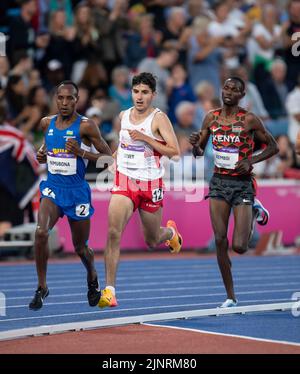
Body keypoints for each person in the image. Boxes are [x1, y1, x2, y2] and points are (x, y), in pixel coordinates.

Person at [189, 77, 279, 308]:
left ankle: (254, 207)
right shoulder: (211, 117)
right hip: (219, 182)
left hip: (242, 184)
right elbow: (199, 152)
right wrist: (195, 145)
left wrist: (251, 160)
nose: (229, 92)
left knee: (239, 246)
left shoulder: (248, 119)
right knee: (220, 240)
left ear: (242, 95)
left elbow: (273, 146)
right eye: (226, 88)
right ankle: (230, 296)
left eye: (235, 89)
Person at [98, 72, 182, 308]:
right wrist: (111, 161)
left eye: (145, 92)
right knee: (114, 233)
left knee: (152, 240)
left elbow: (175, 151)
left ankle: (171, 234)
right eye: (136, 91)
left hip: (150, 184)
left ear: (153, 95)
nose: (139, 96)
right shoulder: (123, 116)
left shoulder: (159, 118)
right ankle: (109, 291)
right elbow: (123, 146)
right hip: (125, 181)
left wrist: (147, 139)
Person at [29, 80, 112, 310]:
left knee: (80, 248)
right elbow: (47, 148)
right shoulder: (47, 123)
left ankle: (92, 275)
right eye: (60, 98)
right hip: (53, 189)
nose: (64, 103)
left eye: (69, 98)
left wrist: (83, 152)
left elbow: (109, 159)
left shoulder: (86, 127)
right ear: (55, 99)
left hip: (77, 193)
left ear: (77, 100)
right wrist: (42, 154)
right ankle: (42, 287)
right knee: (40, 232)